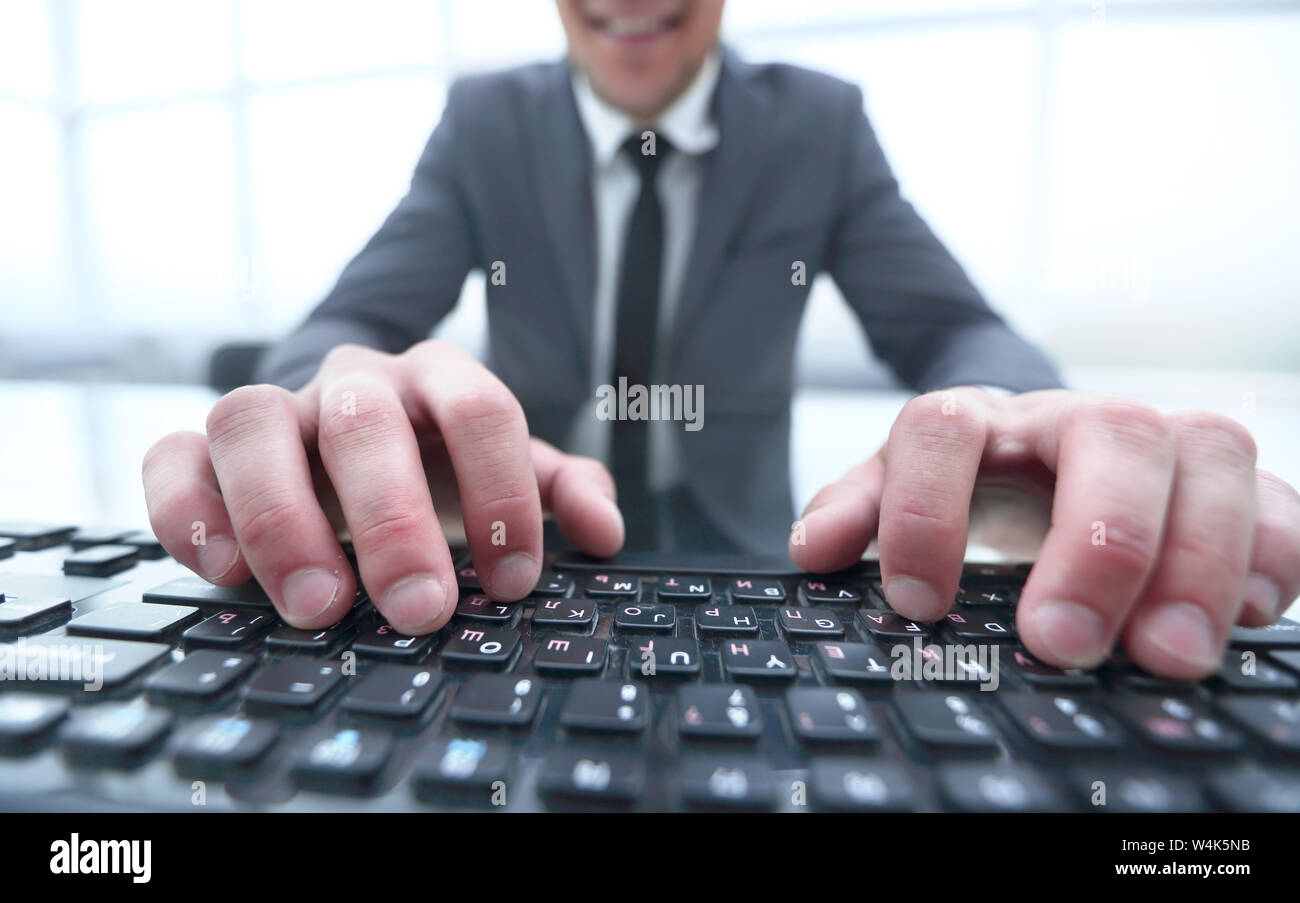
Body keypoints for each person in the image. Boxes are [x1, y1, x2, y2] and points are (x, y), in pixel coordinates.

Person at [142, 0, 1300, 681]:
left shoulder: (817, 125)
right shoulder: (485, 121)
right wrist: (321, 394)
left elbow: (945, 326)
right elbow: (354, 318)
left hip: (760, 573)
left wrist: (1020, 417)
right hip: (513, 569)